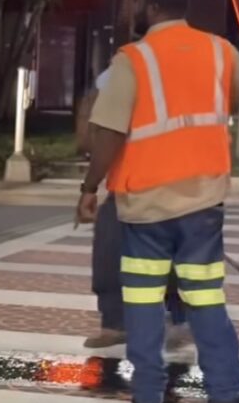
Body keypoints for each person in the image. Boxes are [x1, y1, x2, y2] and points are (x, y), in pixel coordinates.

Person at [77, 0, 239, 403]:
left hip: (144, 208)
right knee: (204, 299)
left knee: (141, 302)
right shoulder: (219, 51)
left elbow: (108, 133)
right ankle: (223, 397)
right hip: (201, 203)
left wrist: (89, 186)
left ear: (151, 6)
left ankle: (148, 398)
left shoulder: (133, 60)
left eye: (137, 0)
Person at [81, 67, 189, 350]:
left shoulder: (142, 82)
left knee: (165, 252)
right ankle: (116, 323)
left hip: (164, 184)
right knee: (110, 249)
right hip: (128, 187)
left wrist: (89, 187)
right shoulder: (117, 78)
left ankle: (177, 318)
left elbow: (104, 136)